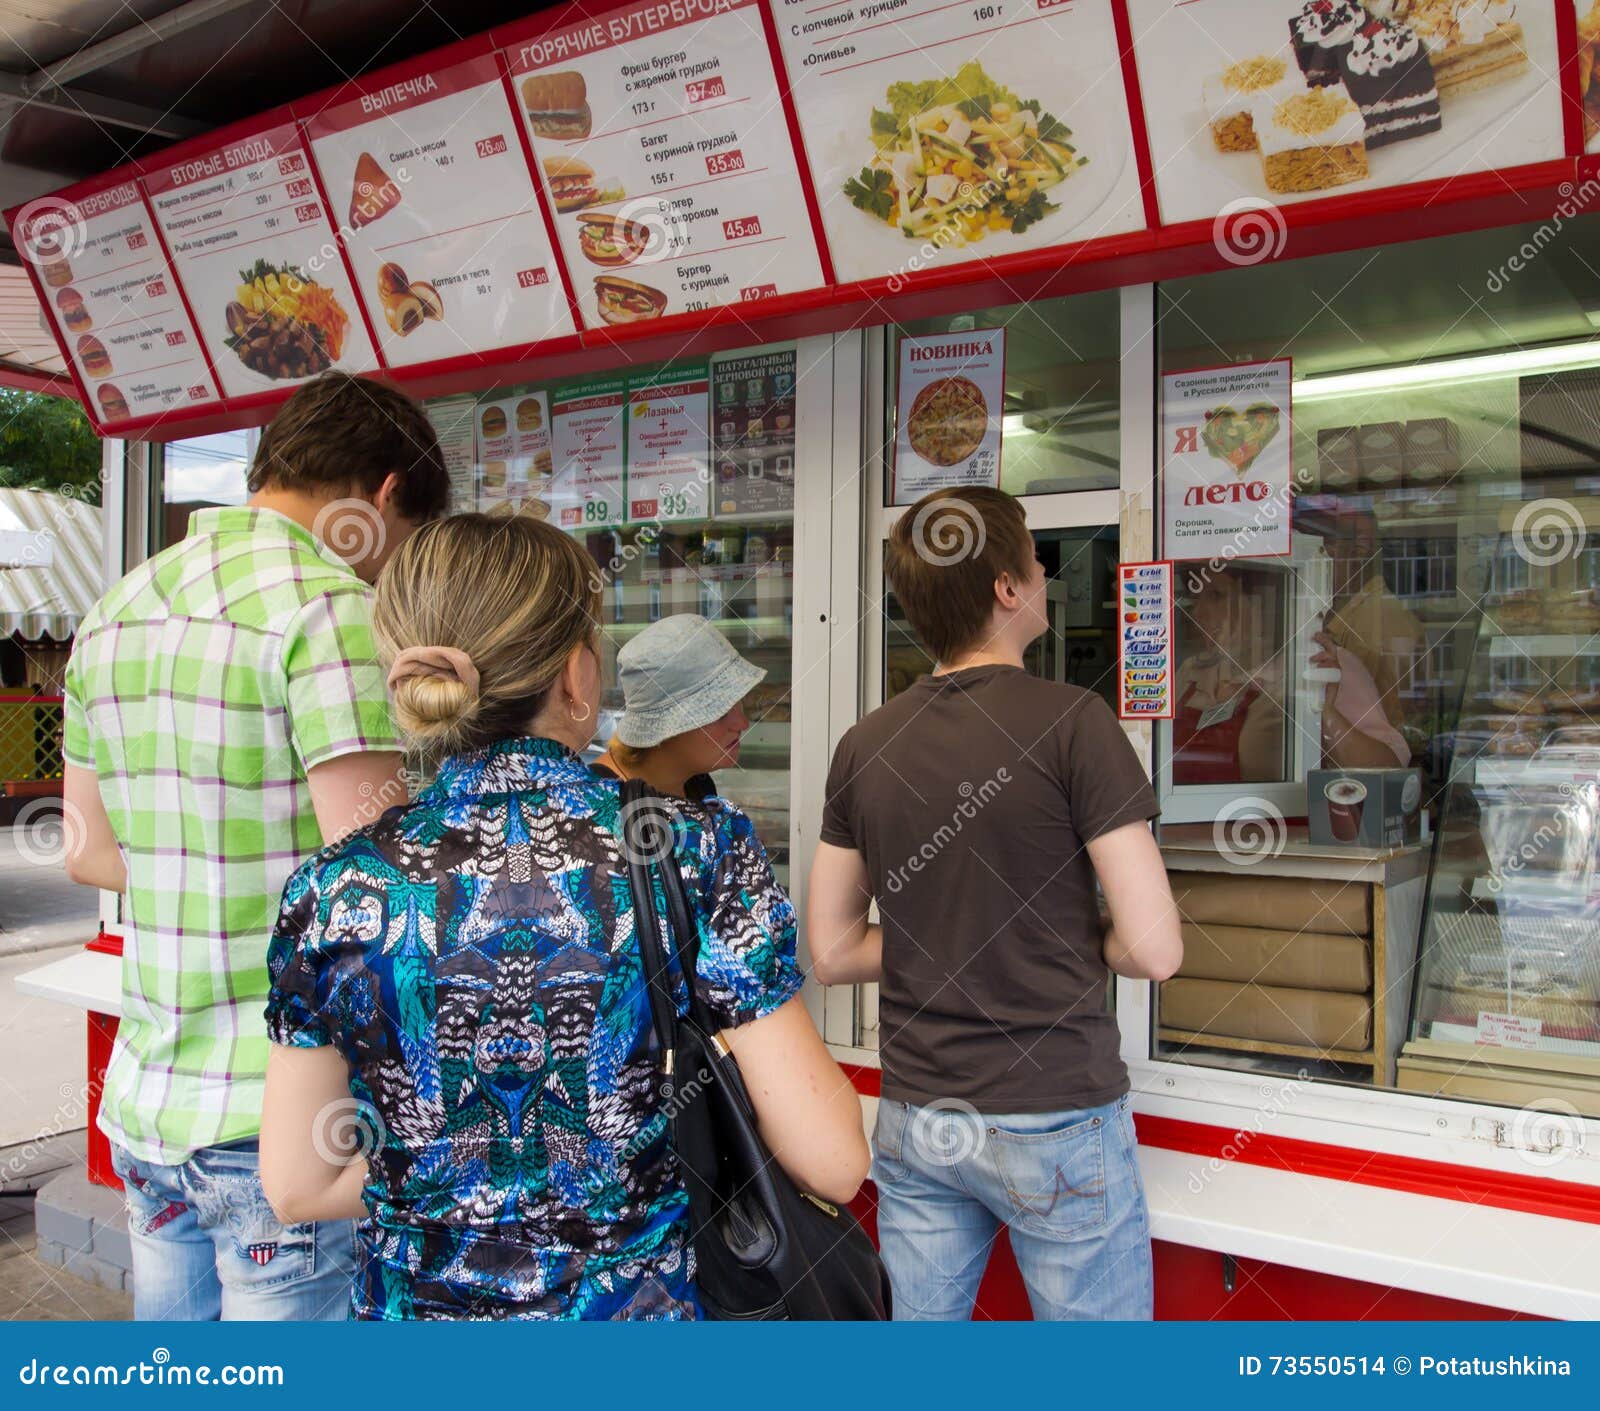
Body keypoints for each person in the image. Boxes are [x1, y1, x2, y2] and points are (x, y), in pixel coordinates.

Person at [258, 513, 868, 1320]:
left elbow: (298, 1184)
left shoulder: (335, 888)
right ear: (577, 678)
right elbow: (833, 1162)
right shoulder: (690, 846)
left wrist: (462, 1191)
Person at [60, 372, 449, 1320]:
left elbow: (85, 851)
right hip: (280, 1116)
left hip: (151, 1103)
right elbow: (370, 878)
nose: (387, 572)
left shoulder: (117, 607)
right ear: (386, 495)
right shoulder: (328, 611)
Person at [807, 486, 1181, 1322]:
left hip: (920, 1115)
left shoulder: (864, 744)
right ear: (1008, 590)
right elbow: (1154, 949)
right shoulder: (1077, 722)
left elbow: (829, 954)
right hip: (1058, 1113)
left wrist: (937, 940)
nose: (1047, 576)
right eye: (1036, 564)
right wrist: (1081, 938)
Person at [590, 612, 763, 801]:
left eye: (739, 703)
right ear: (665, 732)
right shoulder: (597, 811)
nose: (743, 724)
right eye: (720, 712)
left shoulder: (697, 784)